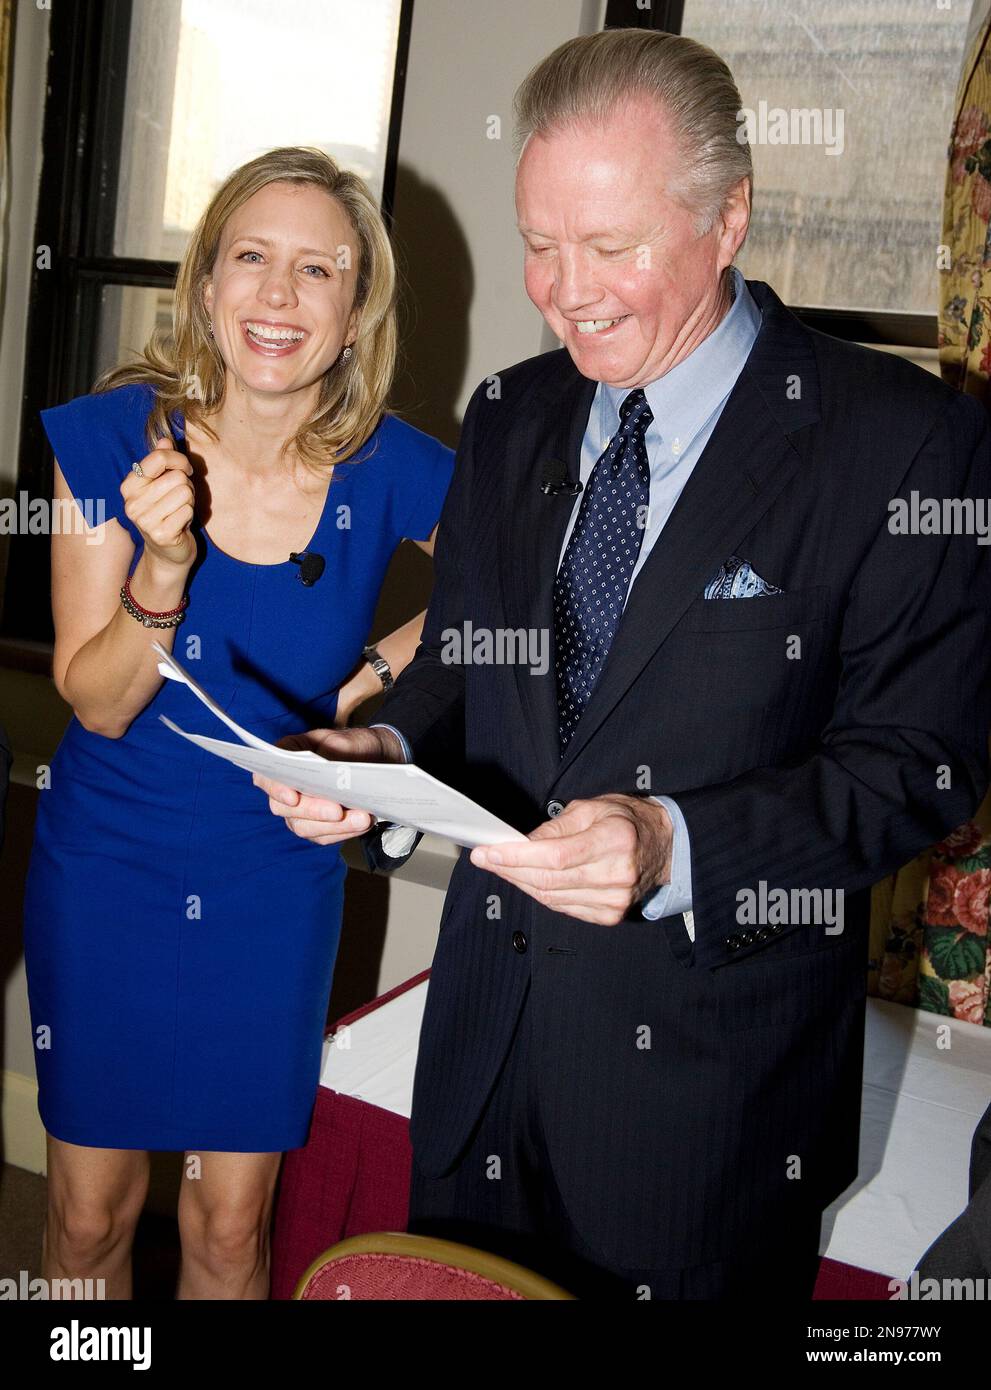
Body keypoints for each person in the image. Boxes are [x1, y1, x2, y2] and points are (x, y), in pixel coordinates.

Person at [253, 31, 991, 1299]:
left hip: (714, 1106)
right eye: (541, 241)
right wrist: (376, 750)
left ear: (729, 217)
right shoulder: (510, 413)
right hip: (484, 1055)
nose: (563, 290)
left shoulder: (901, 443)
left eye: (611, 247)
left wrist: (674, 843)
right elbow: (469, 670)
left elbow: (916, 766)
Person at [23, 146, 454, 1300]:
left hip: (273, 875)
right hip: (108, 861)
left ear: (356, 311)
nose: (278, 294)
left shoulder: (388, 465)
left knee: (228, 1228)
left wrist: (368, 680)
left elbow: (516, 589)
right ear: (205, 284)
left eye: (319, 269)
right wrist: (162, 566)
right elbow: (99, 701)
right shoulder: (115, 441)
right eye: (252, 258)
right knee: (86, 1221)